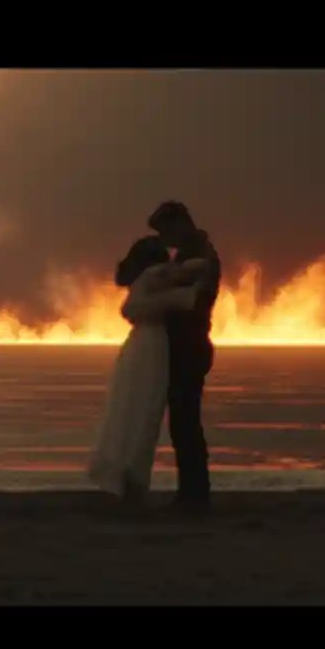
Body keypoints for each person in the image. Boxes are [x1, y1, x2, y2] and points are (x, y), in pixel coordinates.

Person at [88, 235, 211, 505]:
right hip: (152, 347)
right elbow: (198, 268)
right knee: (144, 411)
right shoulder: (156, 276)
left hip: (141, 346)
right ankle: (132, 480)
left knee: (131, 408)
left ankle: (126, 479)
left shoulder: (147, 281)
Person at [146, 201, 221, 512]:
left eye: (165, 230)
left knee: (185, 423)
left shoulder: (199, 257)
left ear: (179, 224)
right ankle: (193, 492)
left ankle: (194, 494)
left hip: (190, 347)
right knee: (184, 422)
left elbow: (193, 300)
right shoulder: (196, 254)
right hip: (188, 346)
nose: (163, 239)